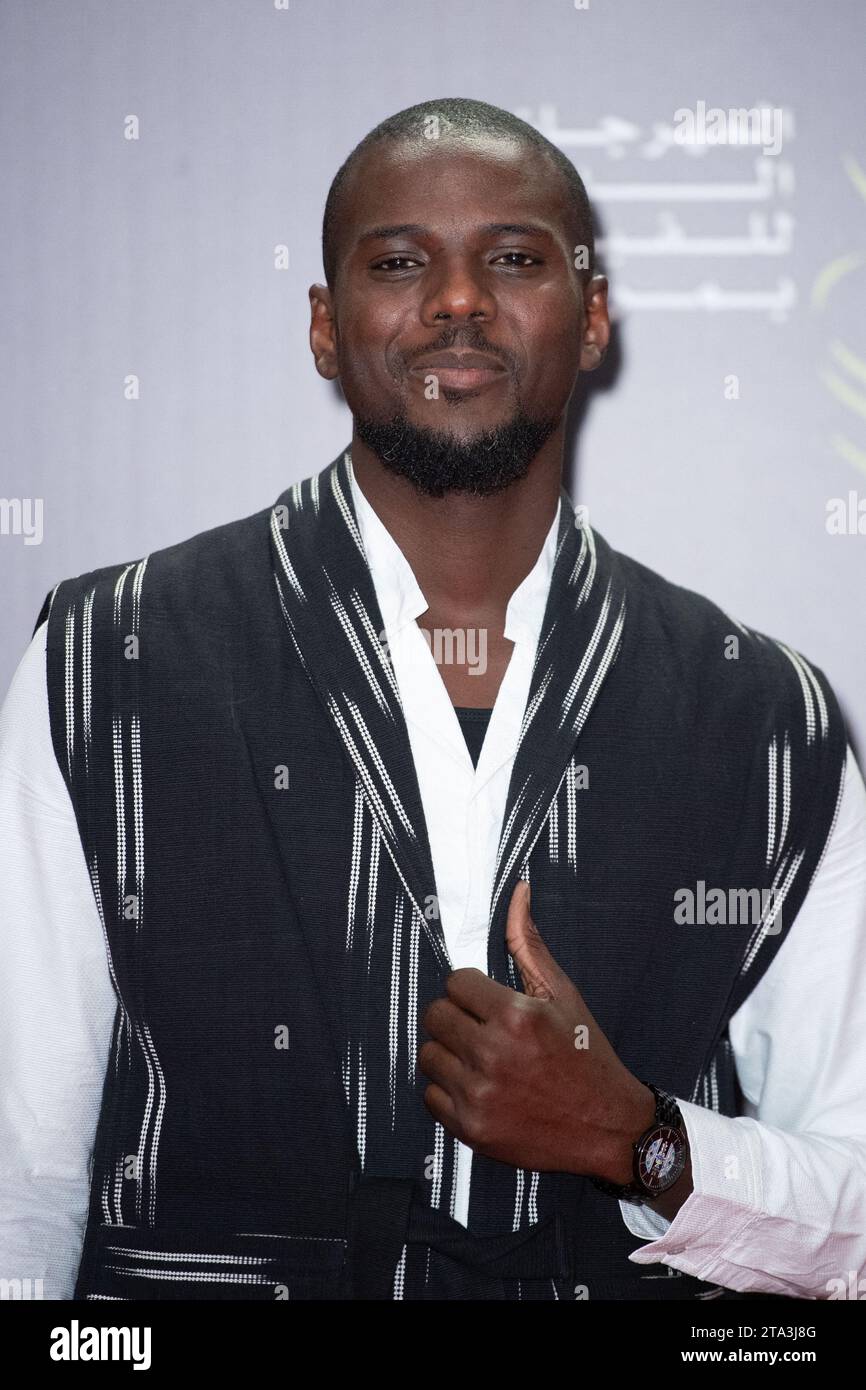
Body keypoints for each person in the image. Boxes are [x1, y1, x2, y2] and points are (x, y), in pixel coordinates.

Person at [1, 97, 865, 1302]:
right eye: (400, 261)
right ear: (322, 325)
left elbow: (856, 1207)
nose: (458, 299)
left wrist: (638, 1141)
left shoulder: (767, 720)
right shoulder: (110, 660)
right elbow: (18, 1175)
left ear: (594, 315)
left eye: (512, 259)